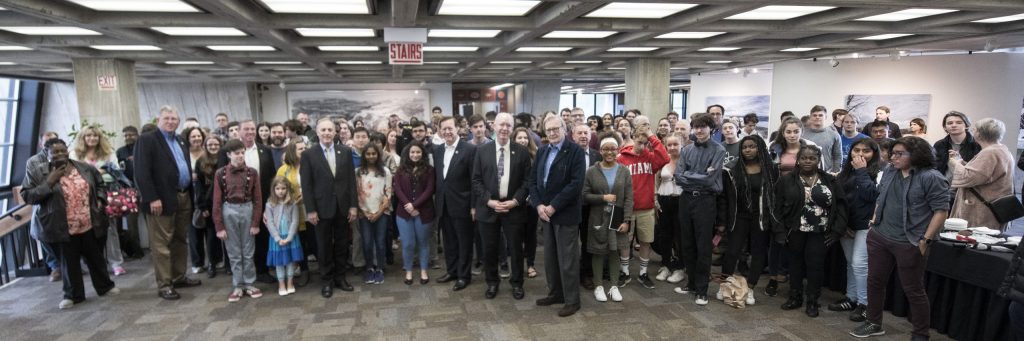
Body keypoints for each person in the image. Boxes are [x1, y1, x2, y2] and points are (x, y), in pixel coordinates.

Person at [851, 136, 949, 340]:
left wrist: (926, 240)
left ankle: (920, 334)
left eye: (898, 153)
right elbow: (881, 196)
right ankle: (874, 323)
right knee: (875, 281)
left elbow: (941, 211)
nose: (892, 157)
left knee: (913, 289)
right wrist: (875, 217)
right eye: (892, 153)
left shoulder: (932, 177)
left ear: (916, 155)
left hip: (910, 241)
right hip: (880, 236)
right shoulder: (890, 170)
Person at [22, 138, 121, 309]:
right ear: (47, 154)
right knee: (69, 262)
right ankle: (73, 295)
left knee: (96, 257)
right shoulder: (39, 172)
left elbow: (100, 184)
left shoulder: (82, 167)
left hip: (90, 222)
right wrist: (50, 182)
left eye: (63, 150)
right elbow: (28, 196)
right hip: (61, 226)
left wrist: (100, 200)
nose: (60, 154)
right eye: (55, 152)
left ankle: (105, 287)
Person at [134, 105, 203, 300]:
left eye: (174, 119)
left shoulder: (181, 140)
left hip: (183, 196)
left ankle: (179, 276)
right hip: (160, 200)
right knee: (161, 244)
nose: (171, 122)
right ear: (158, 120)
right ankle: (165, 284)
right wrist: (151, 198)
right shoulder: (147, 140)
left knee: (181, 239)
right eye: (167, 118)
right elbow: (141, 172)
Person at [774, 145, 848, 318]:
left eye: (812, 158)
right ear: (798, 159)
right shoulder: (787, 180)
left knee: (815, 266)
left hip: (820, 232)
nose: (807, 161)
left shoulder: (830, 180)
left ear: (818, 160)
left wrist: (837, 231)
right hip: (794, 230)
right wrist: (779, 231)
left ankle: (813, 300)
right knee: (795, 264)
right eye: (804, 158)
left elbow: (842, 206)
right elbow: (776, 207)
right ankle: (795, 297)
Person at [471, 113, 532, 300]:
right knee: (489, 249)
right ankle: (492, 282)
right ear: (493, 127)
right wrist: (489, 201)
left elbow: (527, 181)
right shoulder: (482, 151)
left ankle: (517, 284)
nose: (504, 128)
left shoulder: (521, 152)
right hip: (488, 208)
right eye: (501, 125)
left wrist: (515, 201)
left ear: (512, 129)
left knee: (515, 249)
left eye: (508, 125)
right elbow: (476, 180)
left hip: (513, 208)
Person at [531, 115, 586, 317]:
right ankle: (556, 293)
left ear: (565, 129)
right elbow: (533, 182)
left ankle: (572, 300)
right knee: (550, 258)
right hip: (545, 214)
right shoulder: (542, 151)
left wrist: (553, 206)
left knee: (568, 259)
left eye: (556, 128)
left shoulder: (575, 152)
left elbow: (575, 185)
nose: (552, 132)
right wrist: (538, 206)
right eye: (549, 129)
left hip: (565, 214)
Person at [673, 113, 727, 306]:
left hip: (706, 201)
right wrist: (699, 175)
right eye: (696, 127)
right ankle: (692, 283)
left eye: (703, 127)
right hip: (686, 200)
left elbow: (711, 180)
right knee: (687, 243)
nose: (699, 130)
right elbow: (678, 176)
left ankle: (702, 290)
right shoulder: (687, 149)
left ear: (710, 129)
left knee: (703, 245)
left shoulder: (718, 149)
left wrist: (691, 175)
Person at [719, 135, 779, 306]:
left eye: (752, 146)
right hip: (739, 216)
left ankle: (750, 288)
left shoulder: (771, 169)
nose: (748, 150)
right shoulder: (731, 169)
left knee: (758, 253)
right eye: (745, 147)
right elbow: (724, 197)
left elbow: (775, 196)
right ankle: (724, 286)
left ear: (759, 148)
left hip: (761, 217)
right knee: (732, 251)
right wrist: (723, 220)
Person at [301, 118, 358, 298]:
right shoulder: (309, 154)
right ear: (317, 132)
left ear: (335, 132)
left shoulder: (345, 151)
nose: (326, 133)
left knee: (342, 244)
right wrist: (310, 210)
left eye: (329, 130)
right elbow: (306, 185)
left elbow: (351, 181)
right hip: (320, 208)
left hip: (342, 208)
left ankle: (340, 278)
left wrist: (353, 206)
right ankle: (326, 280)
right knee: (324, 246)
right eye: (323, 130)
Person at [218, 120, 277, 283]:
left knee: (261, 235)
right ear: (239, 131)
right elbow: (221, 176)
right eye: (246, 129)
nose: (250, 132)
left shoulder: (265, 150)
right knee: (237, 240)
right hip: (235, 204)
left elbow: (272, 176)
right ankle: (240, 275)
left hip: (261, 200)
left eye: (252, 129)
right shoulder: (228, 150)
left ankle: (262, 270)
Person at [830, 138, 881, 321]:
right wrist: (842, 225)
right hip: (847, 225)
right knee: (851, 263)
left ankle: (865, 304)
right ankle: (852, 298)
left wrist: (861, 170)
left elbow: (870, 195)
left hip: (866, 225)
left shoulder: (879, 173)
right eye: (856, 150)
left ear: (874, 154)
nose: (859, 154)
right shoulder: (846, 172)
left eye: (865, 151)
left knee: (860, 265)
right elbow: (841, 199)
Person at [616, 115, 669, 289]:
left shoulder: (650, 157)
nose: (641, 145)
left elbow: (665, 158)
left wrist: (651, 137)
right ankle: (624, 272)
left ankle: (643, 273)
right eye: (638, 141)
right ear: (633, 139)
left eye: (644, 142)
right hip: (627, 208)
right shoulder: (622, 158)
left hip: (646, 208)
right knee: (625, 242)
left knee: (646, 241)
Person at [69, 125, 128, 276]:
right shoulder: (75, 154)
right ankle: (94, 263)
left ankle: (116, 263)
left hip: (107, 192)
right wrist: (100, 170)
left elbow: (115, 170)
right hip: (83, 195)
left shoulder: (108, 152)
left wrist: (91, 171)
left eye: (95, 136)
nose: (92, 138)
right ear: (83, 138)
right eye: (88, 135)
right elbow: (74, 173)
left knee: (111, 228)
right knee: (87, 230)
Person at [583, 132, 633, 303]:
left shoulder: (624, 171)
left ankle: (613, 286)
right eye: (605, 149)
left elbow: (628, 198)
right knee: (597, 252)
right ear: (600, 151)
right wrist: (602, 198)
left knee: (614, 250)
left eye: (613, 149)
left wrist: (626, 221)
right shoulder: (591, 171)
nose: (609, 152)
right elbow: (584, 195)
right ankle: (598, 285)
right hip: (598, 217)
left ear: (618, 150)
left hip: (617, 217)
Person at [213, 139, 264, 302]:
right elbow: (216, 201)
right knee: (234, 251)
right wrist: (219, 226)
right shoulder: (220, 173)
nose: (240, 156)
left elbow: (258, 199)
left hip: (247, 209)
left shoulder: (252, 172)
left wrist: (256, 222)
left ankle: (250, 283)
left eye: (242, 152)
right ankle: (238, 285)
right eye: (237, 153)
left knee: (248, 250)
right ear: (229, 155)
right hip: (229, 210)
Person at [433, 117, 477, 291]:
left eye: (450, 128)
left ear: (457, 129)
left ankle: (464, 275)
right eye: (443, 129)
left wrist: (473, 205)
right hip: (443, 204)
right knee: (449, 241)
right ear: (439, 131)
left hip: (463, 204)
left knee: (464, 242)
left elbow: (475, 180)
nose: (447, 132)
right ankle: (451, 271)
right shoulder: (437, 151)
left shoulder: (470, 150)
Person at [948, 118, 1014, 231]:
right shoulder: (1000, 150)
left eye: (975, 130)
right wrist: (962, 162)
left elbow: (968, 177)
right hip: (989, 208)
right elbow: (982, 174)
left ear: (979, 133)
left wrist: (955, 162)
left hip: (982, 211)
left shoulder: (990, 152)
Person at [394, 142, 435, 285]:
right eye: (412, 152)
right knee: (408, 244)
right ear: (407, 153)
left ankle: (424, 271)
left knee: (423, 243)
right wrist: (408, 206)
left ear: (423, 153)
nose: (415, 155)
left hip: (423, 212)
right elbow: (397, 189)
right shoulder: (400, 170)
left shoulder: (429, 170)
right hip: (404, 213)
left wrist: (415, 205)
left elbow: (430, 190)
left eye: (418, 152)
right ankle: (409, 271)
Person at [356, 143, 393, 284]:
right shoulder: (358, 172)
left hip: (381, 213)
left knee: (380, 242)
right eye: (368, 154)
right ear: (364, 155)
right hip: (364, 213)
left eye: (374, 154)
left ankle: (380, 269)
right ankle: (370, 268)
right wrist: (364, 212)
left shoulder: (385, 171)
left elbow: (388, 194)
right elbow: (357, 194)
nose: (371, 156)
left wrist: (379, 212)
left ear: (378, 155)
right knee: (366, 242)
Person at [275, 139, 312, 276]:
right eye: (300, 149)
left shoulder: (311, 164)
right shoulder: (283, 169)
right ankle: (304, 270)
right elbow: (277, 189)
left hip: (312, 209)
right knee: (300, 241)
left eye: (305, 148)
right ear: (292, 151)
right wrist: (290, 197)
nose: (304, 151)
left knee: (314, 240)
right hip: (293, 210)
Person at [573, 124, 602, 290]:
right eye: (580, 133)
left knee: (587, 240)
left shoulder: (597, 156)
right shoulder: (567, 154)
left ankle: (585, 273)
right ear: (573, 135)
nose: (583, 135)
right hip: (571, 205)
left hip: (590, 206)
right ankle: (571, 272)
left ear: (590, 137)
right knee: (570, 242)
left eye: (586, 133)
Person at [653, 135, 685, 284]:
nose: (672, 147)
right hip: (664, 199)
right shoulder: (663, 161)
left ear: (682, 144)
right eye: (669, 145)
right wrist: (655, 199)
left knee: (680, 235)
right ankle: (665, 265)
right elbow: (656, 180)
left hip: (681, 200)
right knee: (665, 234)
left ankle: (680, 268)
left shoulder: (687, 160)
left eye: (675, 144)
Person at [264, 176, 303, 296]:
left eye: (283, 188)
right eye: (277, 188)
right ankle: (281, 283)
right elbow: (269, 222)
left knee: (290, 261)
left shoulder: (292, 203)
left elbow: (295, 221)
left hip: (290, 237)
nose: (280, 191)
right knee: (279, 262)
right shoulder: (270, 204)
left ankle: (290, 282)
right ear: (273, 189)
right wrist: (277, 238)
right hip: (277, 238)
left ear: (287, 189)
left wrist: (289, 237)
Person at [182, 127, 213, 276]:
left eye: (199, 136)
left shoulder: (207, 152)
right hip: (189, 195)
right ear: (188, 138)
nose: (196, 139)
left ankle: (214, 259)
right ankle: (197, 262)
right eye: (193, 136)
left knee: (210, 228)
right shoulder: (184, 154)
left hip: (206, 194)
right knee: (194, 229)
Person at [194, 135, 225, 278]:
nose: (213, 147)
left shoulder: (225, 159)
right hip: (209, 203)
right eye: (210, 145)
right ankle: (212, 263)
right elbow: (198, 186)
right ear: (205, 146)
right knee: (212, 236)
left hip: (226, 202)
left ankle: (228, 264)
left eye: (216, 144)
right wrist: (203, 206)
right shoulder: (200, 162)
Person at [514, 127, 541, 280]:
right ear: (514, 140)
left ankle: (530, 264)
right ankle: (517, 265)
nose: (523, 140)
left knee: (531, 235)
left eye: (525, 138)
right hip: (515, 203)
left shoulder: (535, 155)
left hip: (531, 203)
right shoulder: (509, 156)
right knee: (515, 236)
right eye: (519, 138)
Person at [115, 126, 144, 259]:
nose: (128, 138)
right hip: (128, 190)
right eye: (126, 135)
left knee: (150, 220)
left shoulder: (143, 148)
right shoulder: (120, 152)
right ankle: (137, 251)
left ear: (137, 135)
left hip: (145, 189)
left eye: (131, 135)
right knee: (132, 224)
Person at [933, 111, 981, 177]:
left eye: (959, 123)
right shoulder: (939, 145)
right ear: (945, 127)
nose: (954, 125)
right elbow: (935, 167)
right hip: (944, 184)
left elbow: (980, 171)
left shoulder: (977, 144)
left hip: (967, 184)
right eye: (950, 123)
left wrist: (959, 162)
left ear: (967, 125)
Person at [801, 105, 843, 173]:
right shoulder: (802, 134)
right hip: (804, 173)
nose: (817, 117)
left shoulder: (834, 135)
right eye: (814, 115)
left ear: (825, 117)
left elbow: (838, 156)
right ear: (810, 117)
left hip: (826, 173)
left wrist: (835, 172)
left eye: (820, 115)